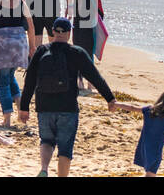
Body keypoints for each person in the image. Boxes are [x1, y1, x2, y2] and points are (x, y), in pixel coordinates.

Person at [18, 16, 118, 177]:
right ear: (69, 33)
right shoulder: (76, 52)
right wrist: (110, 98)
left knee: (46, 141)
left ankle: (44, 169)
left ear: (53, 32)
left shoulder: (42, 50)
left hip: (44, 106)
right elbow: (95, 77)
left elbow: (29, 80)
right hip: (68, 108)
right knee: (65, 148)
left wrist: (24, 108)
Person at [110, 92, 164, 175]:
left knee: (148, 173)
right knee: (150, 174)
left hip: (143, 148)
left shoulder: (148, 110)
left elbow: (132, 108)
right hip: (155, 151)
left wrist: (115, 104)